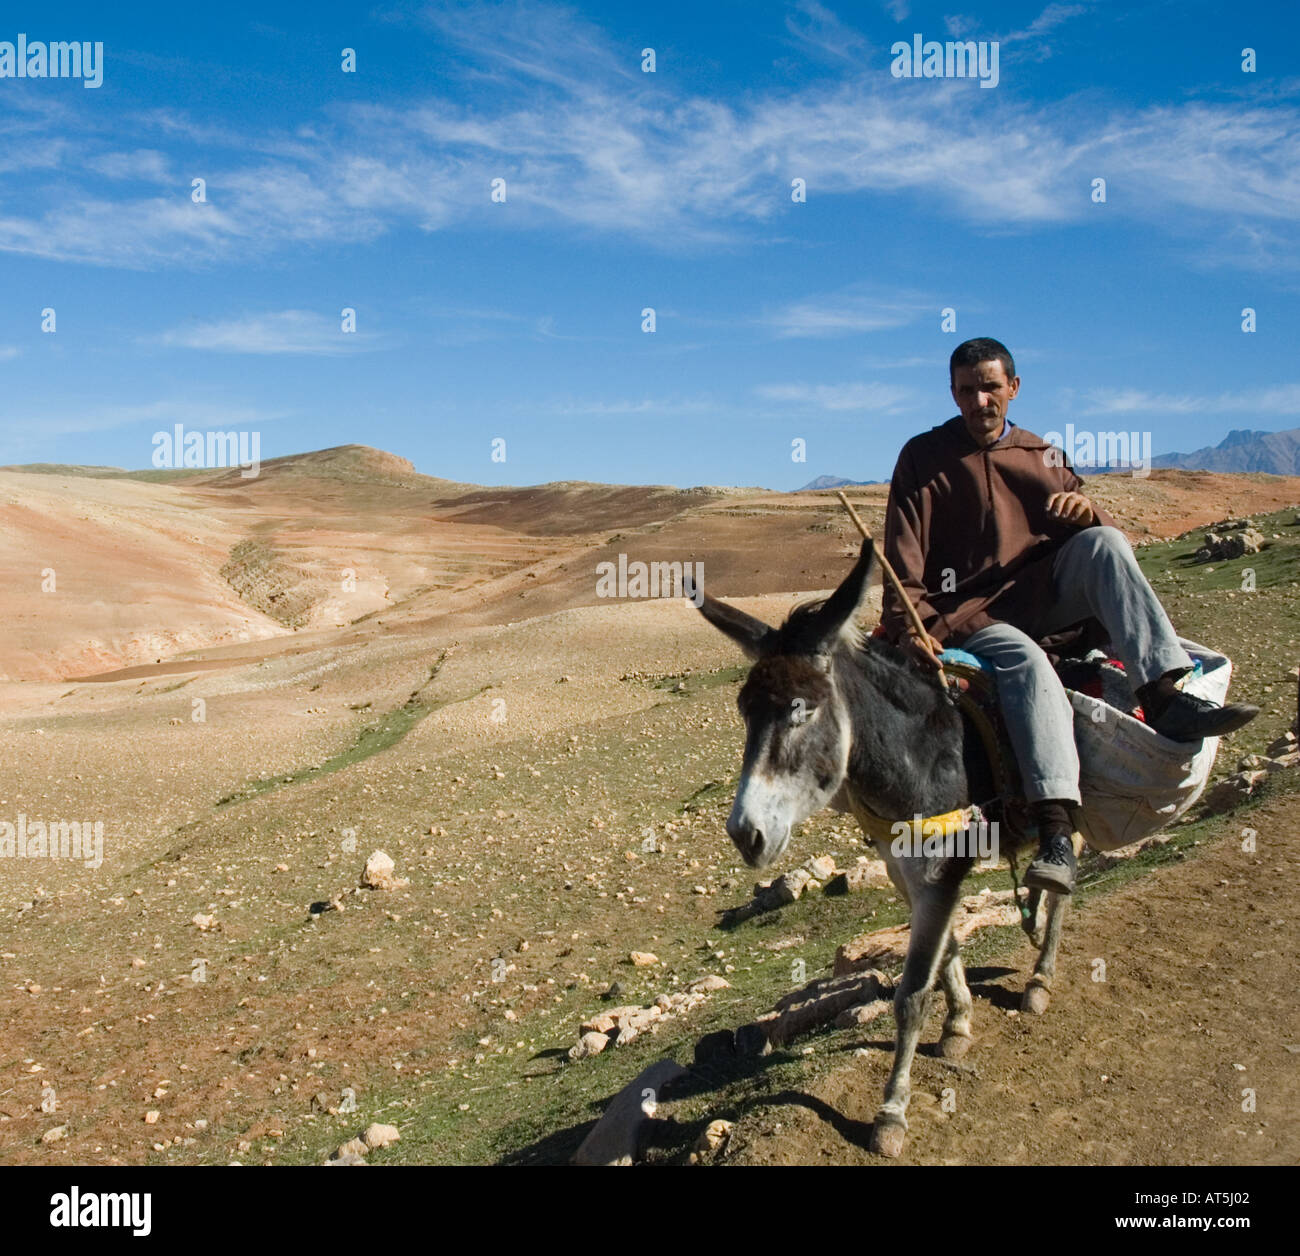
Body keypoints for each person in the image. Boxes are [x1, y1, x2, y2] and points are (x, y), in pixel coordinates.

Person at [880, 337, 1259, 894]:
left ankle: (1164, 695)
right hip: (969, 611)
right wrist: (911, 624)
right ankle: (1055, 828)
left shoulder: (1043, 455)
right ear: (953, 394)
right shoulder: (922, 456)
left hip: (1040, 593)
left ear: (1013, 387)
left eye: (990, 387)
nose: (979, 401)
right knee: (1026, 662)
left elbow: (1084, 523)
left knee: (1104, 542)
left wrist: (1088, 512)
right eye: (966, 390)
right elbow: (901, 557)